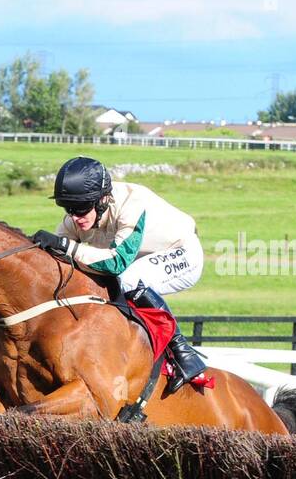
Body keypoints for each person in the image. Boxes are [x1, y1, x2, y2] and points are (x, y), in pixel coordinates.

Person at [32, 157, 207, 394]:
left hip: (182, 253)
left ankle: (185, 355)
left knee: (128, 279)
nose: (75, 217)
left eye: (82, 208)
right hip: (140, 258)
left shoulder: (133, 203)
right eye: (69, 209)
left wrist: (67, 247)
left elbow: (117, 262)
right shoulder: (77, 217)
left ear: (103, 199)